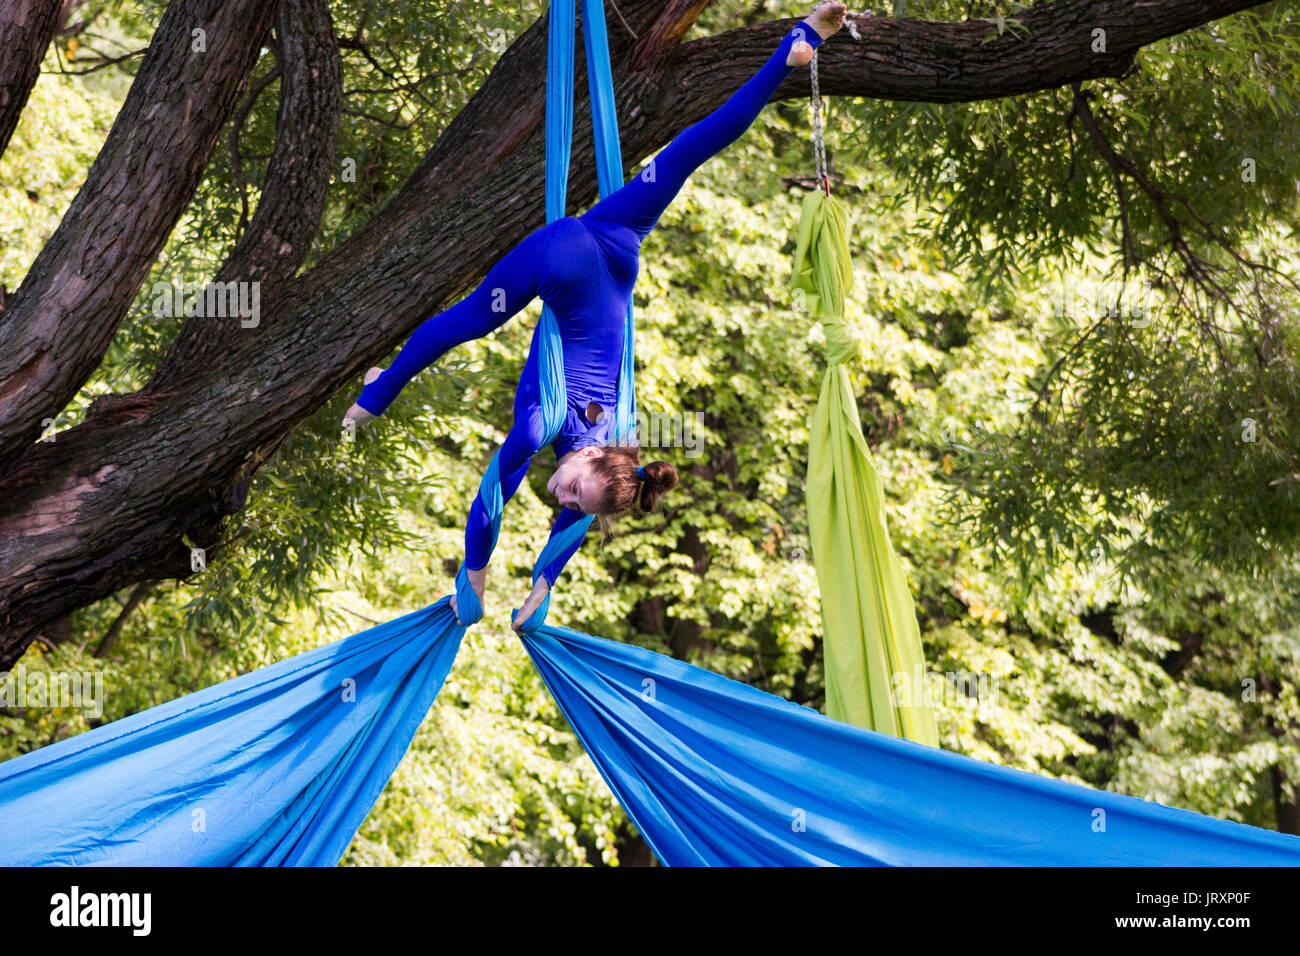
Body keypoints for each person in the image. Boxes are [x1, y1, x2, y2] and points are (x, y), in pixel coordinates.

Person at [344, 4, 848, 626]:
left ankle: (791, 51)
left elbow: (580, 517)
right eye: (573, 488)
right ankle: (379, 391)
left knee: (690, 151)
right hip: (560, 260)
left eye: (572, 500)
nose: (562, 494)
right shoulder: (543, 424)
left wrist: (541, 589)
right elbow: (492, 495)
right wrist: (473, 578)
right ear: (591, 459)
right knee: (475, 317)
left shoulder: (621, 433)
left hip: (617, 243)